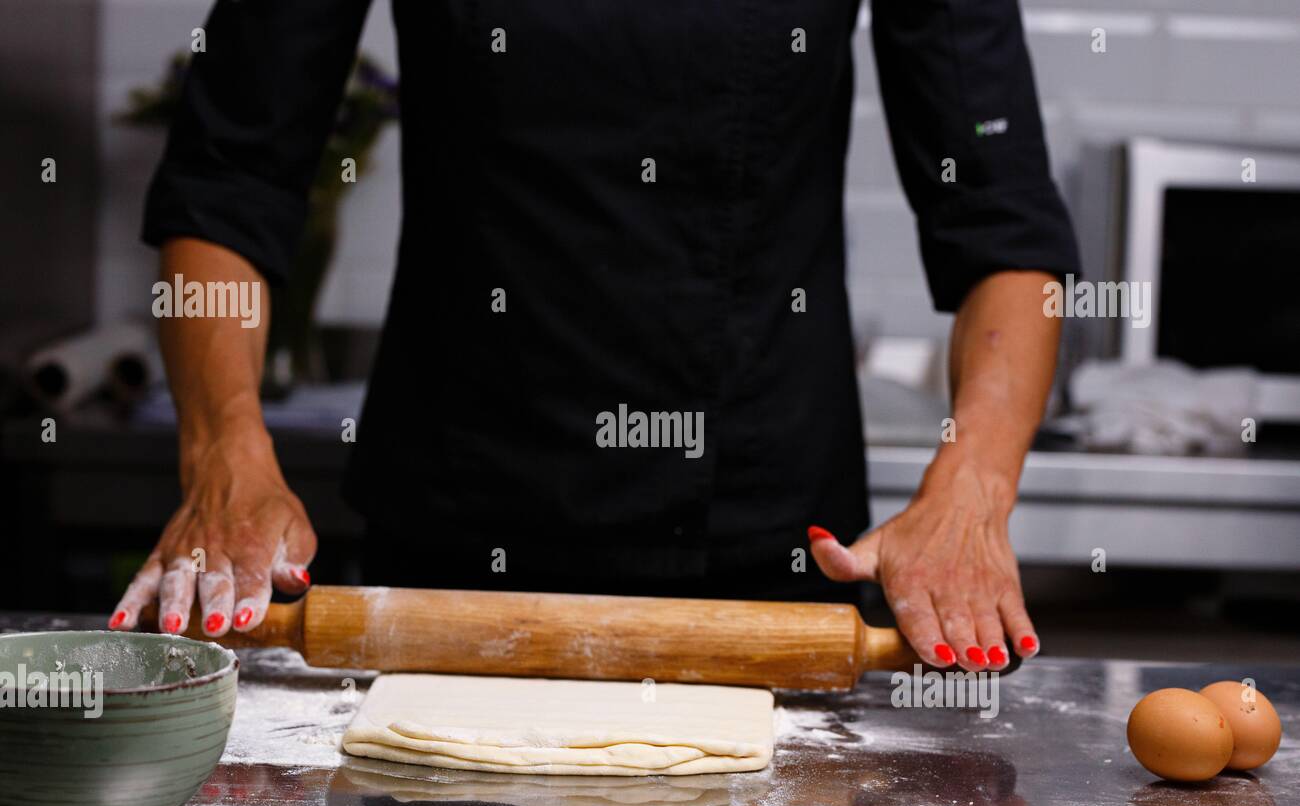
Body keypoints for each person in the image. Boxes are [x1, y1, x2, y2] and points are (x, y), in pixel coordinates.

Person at [110, 0, 1079, 674]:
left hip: (764, 570)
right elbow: (231, 178)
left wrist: (972, 488)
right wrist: (223, 447)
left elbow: (1001, 222)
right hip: (449, 565)